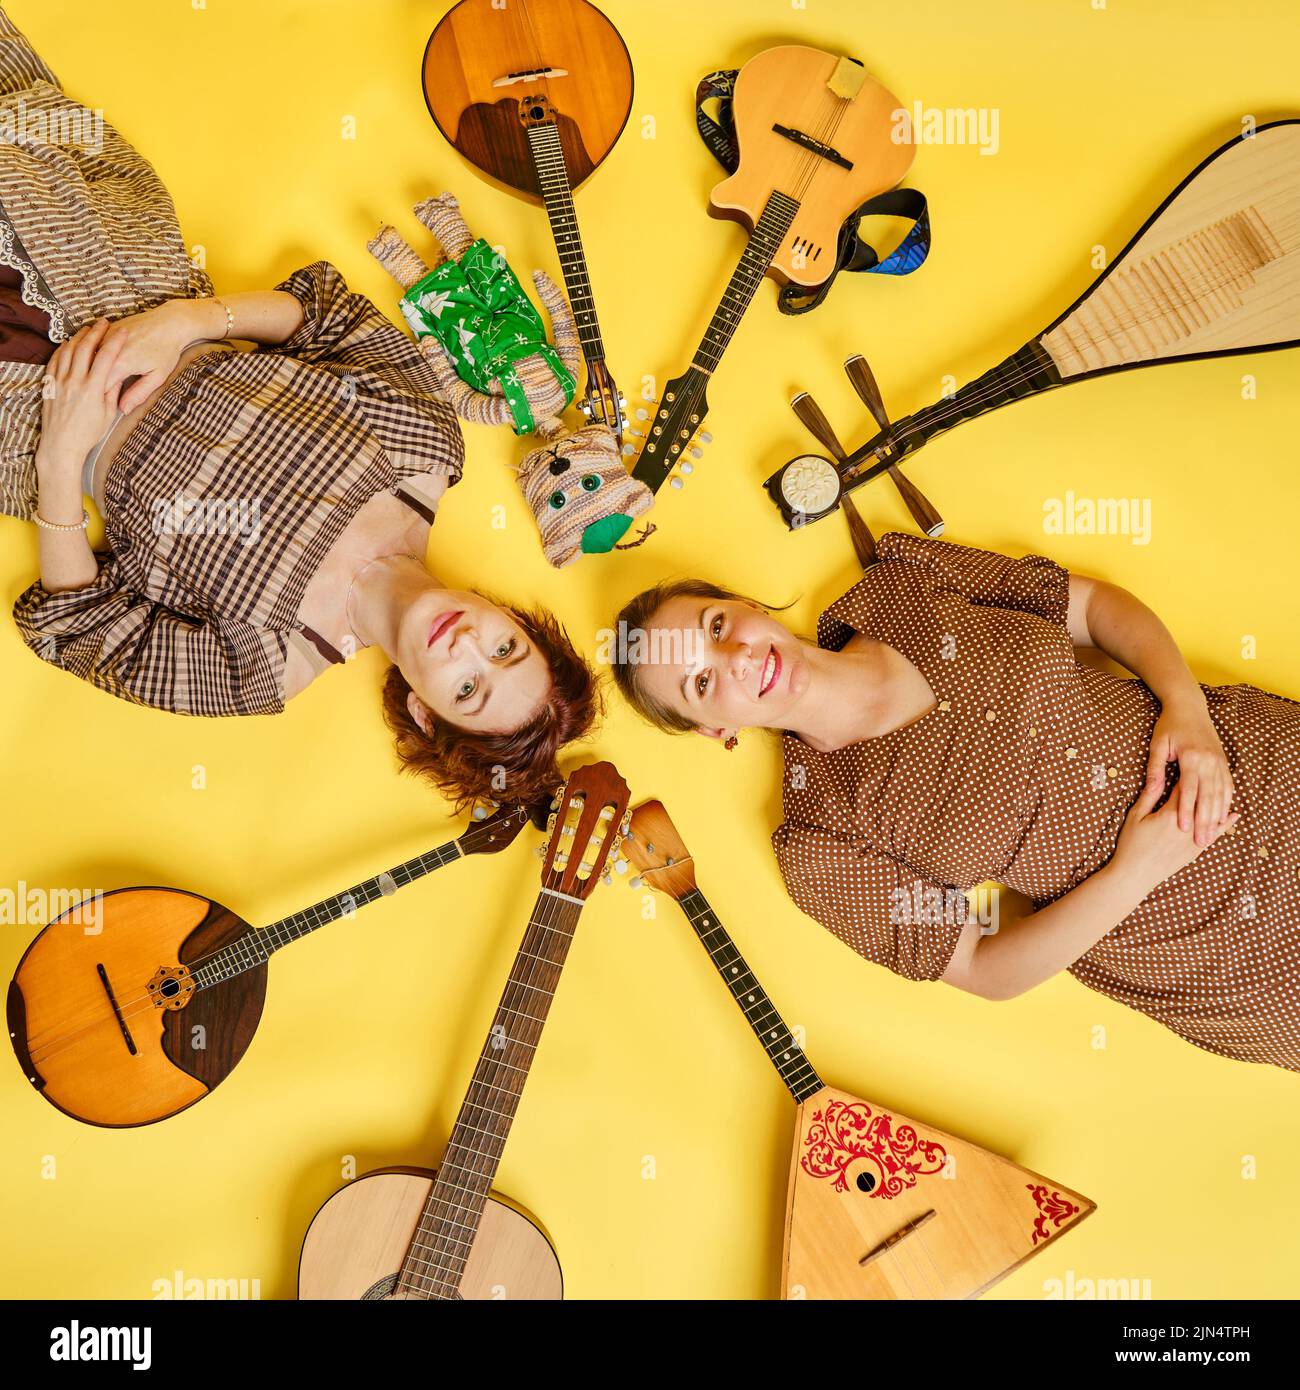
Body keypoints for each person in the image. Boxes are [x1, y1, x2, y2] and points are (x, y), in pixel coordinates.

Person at [0, 7, 597, 809]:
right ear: (513, 619)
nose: (468, 647)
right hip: (121, 272)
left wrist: (60, 456)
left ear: (425, 713)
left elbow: (73, 627)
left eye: (468, 689)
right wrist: (183, 323)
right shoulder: (427, 450)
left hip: (25, 419)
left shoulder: (260, 671)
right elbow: (327, 312)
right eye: (505, 649)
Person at [610, 530, 1300, 1073]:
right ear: (715, 730)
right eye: (703, 684)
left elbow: (1092, 608)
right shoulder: (820, 844)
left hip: (1263, 765)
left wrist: (1187, 708)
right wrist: (1136, 871)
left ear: (747, 607)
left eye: (716, 626)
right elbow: (984, 967)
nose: (735, 658)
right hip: (1224, 950)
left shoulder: (902, 581)